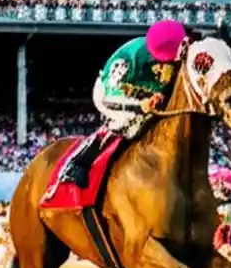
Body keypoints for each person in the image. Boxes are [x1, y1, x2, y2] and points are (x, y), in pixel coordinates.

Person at [58, 19, 191, 187]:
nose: (172, 65)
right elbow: (111, 97)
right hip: (111, 93)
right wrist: (140, 106)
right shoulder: (131, 57)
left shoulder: (178, 52)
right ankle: (78, 163)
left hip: (145, 96)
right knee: (127, 121)